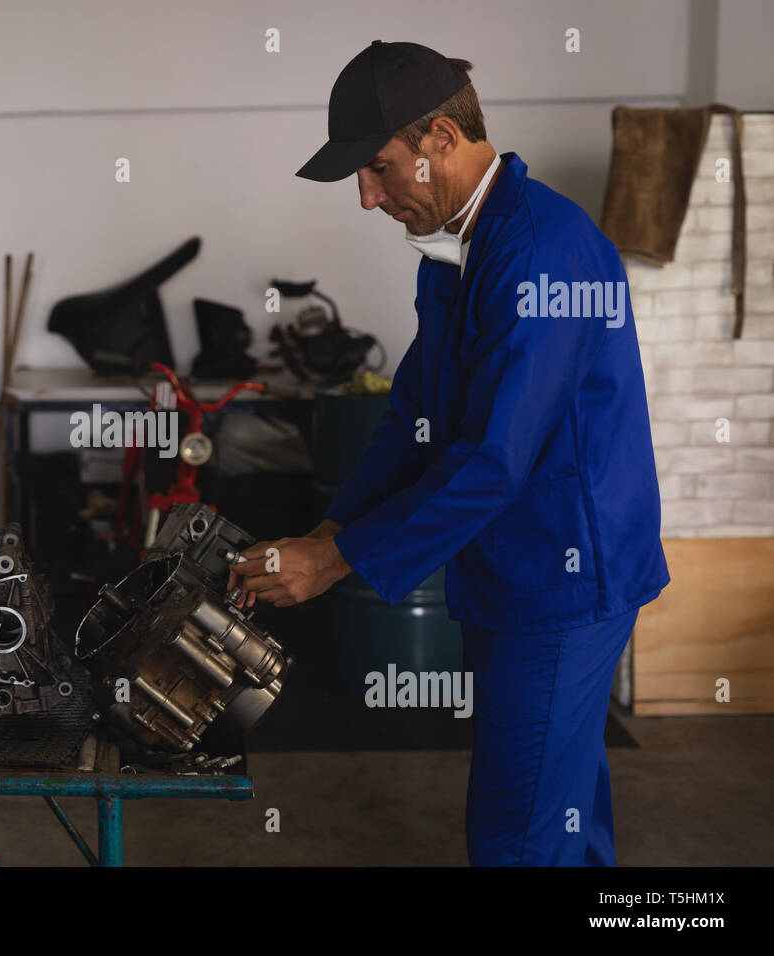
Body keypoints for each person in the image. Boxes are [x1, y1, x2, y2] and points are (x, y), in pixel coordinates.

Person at [230, 40, 670, 866]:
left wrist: (334, 565)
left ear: (439, 136)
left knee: (517, 840)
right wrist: (332, 530)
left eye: (379, 169)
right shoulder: (457, 249)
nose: (367, 198)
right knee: (562, 813)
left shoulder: (538, 254)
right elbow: (414, 416)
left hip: (561, 581)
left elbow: (494, 460)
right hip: (520, 569)